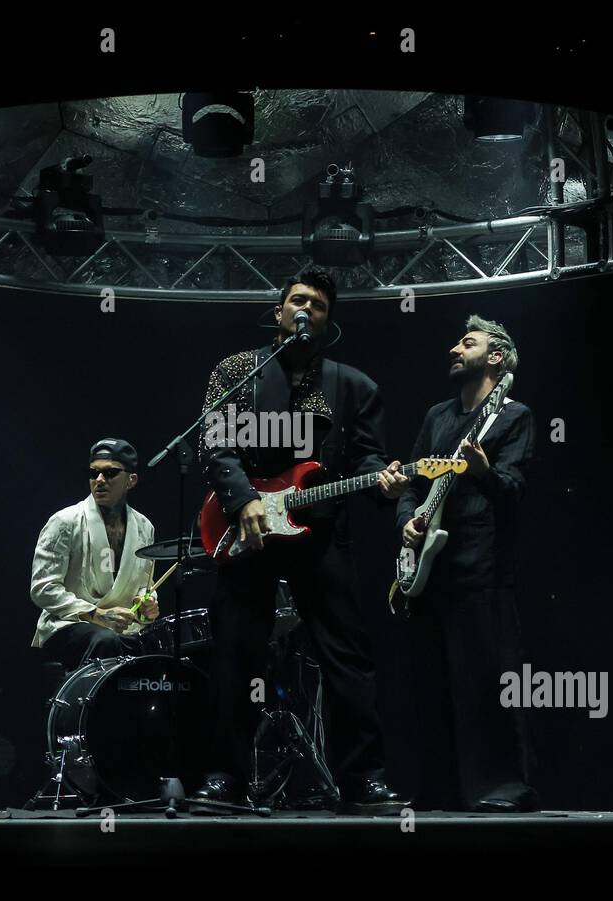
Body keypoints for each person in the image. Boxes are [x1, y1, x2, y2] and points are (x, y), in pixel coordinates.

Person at [193, 268, 411, 814]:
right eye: (296, 300)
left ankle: (361, 779)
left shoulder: (353, 386)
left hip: (321, 533)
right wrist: (243, 500)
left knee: (347, 656)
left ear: (328, 320)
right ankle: (225, 776)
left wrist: (383, 480)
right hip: (249, 531)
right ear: (278, 311)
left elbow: (368, 458)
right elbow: (215, 447)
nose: (305, 309)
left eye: (316, 303)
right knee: (235, 656)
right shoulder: (239, 371)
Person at [396, 315, 539, 812]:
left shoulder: (513, 416)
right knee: (432, 682)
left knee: (489, 679)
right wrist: (407, 522)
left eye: (468, 342)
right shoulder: (437, 416)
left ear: (495, 357)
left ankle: (502, 787)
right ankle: (441, 787)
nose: (455, 348)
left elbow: (516, 490)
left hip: (483, 569)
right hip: (431, 570)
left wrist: (484, 472)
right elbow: (414, 482)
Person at [30, 439, 159, 671]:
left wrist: (147, 604)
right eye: (94, 473)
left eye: (110, 473)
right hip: (67, 623)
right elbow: (43, 588)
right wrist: (96, 614)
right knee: (105, 641)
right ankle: (91, 707)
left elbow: (145, 585)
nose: (99, 480)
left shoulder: (144, 527)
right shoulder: (64, 522)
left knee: (159, 642)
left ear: (131, 480)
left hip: (122, 628)